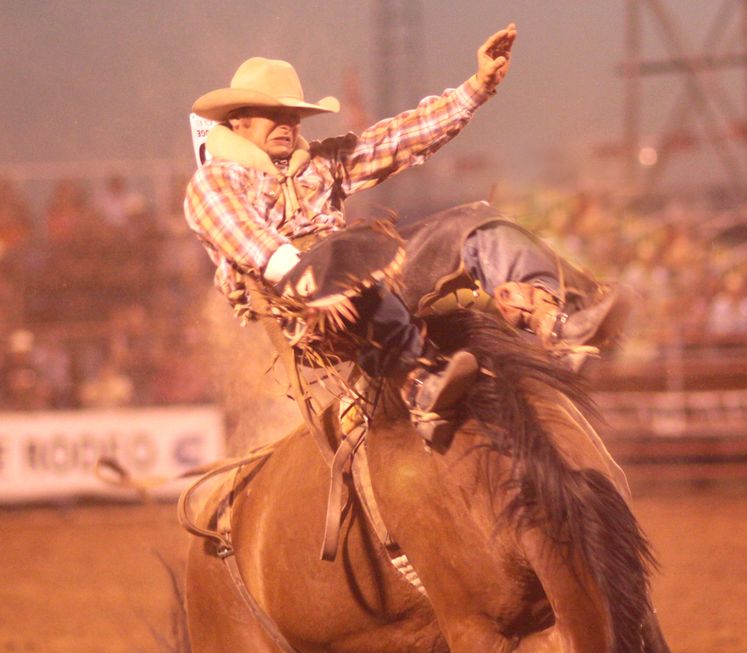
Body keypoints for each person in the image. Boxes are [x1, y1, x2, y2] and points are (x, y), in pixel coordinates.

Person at [185, 24, 626, 446]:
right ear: (238, 120)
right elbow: (241, 234)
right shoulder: (217, 180)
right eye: (272, 114)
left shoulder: (320, 164)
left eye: (293, 115)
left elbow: (398, 138)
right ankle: (418, 381)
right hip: (300, 310)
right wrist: (311, 279)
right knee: (353, 261)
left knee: (475, 222)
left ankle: (554, 319)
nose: (287, 124)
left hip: (359, 268)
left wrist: (475, 88)